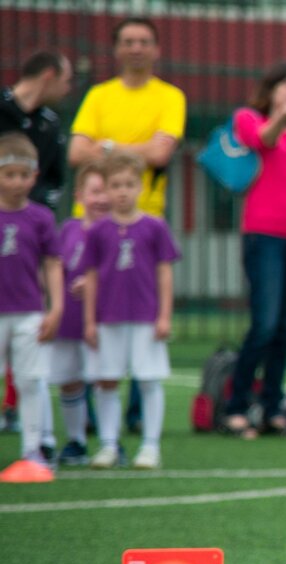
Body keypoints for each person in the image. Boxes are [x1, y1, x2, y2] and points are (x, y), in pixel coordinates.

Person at [69, 17, 185, 434]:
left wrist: (108, 147)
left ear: (156, 49)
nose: (136, 48)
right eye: (128, 41)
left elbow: (160, 153)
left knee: (143, 314)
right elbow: (76, 151)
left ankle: (138, 418)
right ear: (116, 49)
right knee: (93, 316)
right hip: (92, 220)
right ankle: (94, 424)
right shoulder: (99, 95)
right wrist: (130, 152)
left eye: (144, 41)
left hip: (146, 216)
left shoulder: (170, 96)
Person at [222, 63, 286, 440]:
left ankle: (273, 408)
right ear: (272, 88)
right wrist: (280, 115)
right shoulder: (248, 118)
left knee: (284, 327)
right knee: (263, 323)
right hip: (265, 234)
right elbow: (264, 141)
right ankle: (236, 406)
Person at [81, 152, 178, 470]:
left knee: (149, 380)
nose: (122, 191)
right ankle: (108, 445)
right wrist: (90, 321)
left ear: (141, 187)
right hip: (108, 318)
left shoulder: (155, 226)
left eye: (129, 184)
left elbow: (165, 272)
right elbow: (91, 275)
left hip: (145, 318)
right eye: (115, 185)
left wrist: (164, 315)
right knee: (107, 380)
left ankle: (150, 446)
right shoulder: (97, 232)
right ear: (106, 189)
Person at [0, 132, 63, 483]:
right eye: (9, 174)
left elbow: (53, 264)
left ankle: (33, 450)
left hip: (28, 311)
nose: (17, 182)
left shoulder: (40, 217)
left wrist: (55, 308)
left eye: (24, 175)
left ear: (35, 177)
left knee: (30, 380)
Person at [49, 163, 110, 466]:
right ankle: (77, 441)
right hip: (69, 320)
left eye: (105, 192)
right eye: (94, 192)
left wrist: (96, 282)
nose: (101, 199)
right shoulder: (69, 229)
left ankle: (110, 444)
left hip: (101, 323)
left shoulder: (115, 231)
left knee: (103, 379)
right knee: (69, 380)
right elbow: (54, 268)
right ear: (80, 195)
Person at [0, 51, 72, 212]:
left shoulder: (50, 125)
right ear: (49, 75)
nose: (67, 89)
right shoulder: (2, 109)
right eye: (66, 81)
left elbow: (55, 181)